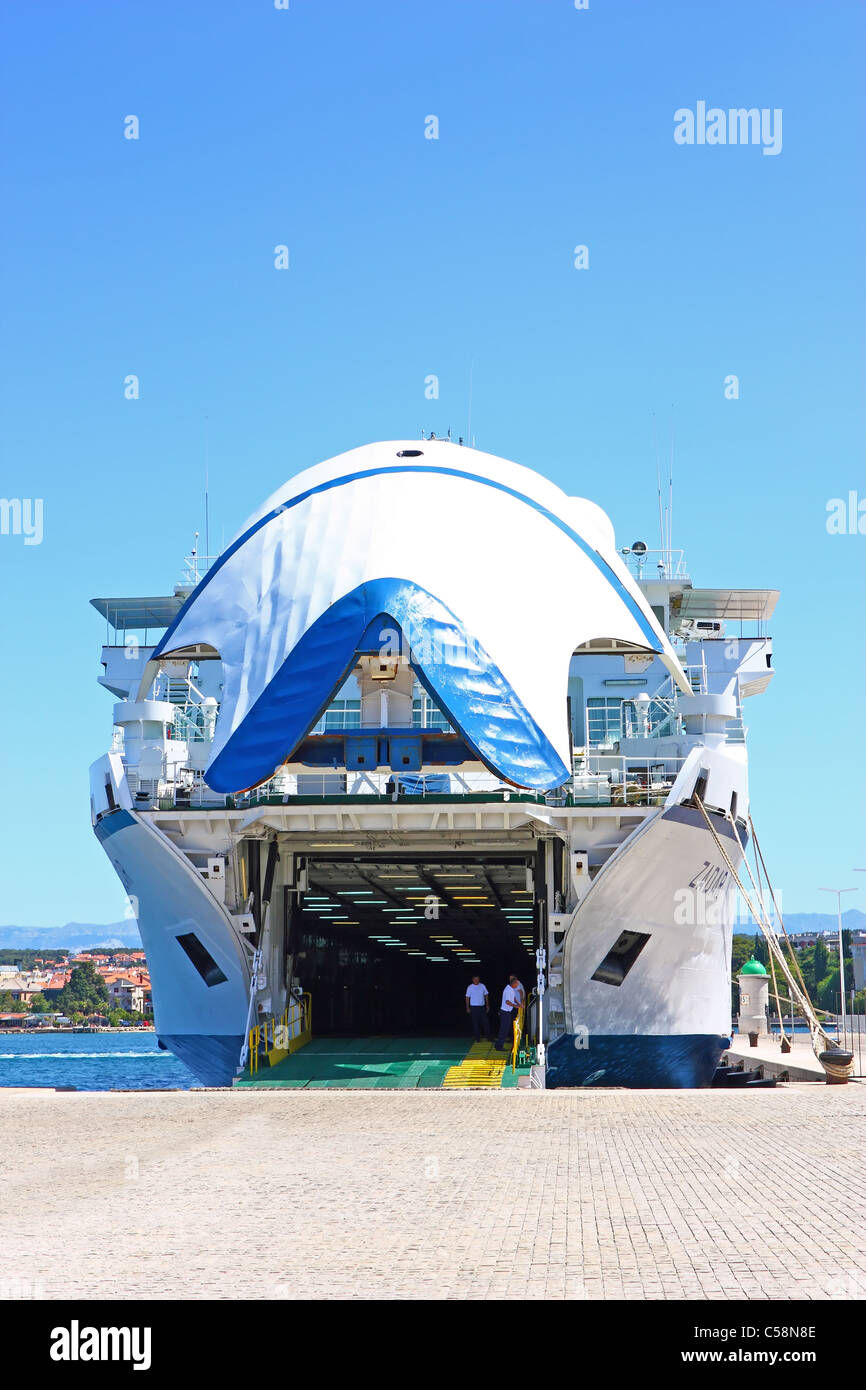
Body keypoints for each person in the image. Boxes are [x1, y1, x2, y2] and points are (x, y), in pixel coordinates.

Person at [495, 974, 525, 1050]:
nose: (518, 985)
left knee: (506, 1028)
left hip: (508, 1012)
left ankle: (499, 1045)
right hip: (505, 1012)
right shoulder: (508, 990)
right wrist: (517, 1006)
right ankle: (499, 1046)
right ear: (514, 984)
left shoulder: (511, 989)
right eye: (517, 984)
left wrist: (518, 1003)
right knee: (503, 1029)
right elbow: (508, 1002)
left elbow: (513, 998)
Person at [465, 975, 490, 1040]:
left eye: (478, 979)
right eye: (475, 979)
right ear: (472, 980)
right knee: (475, 1023)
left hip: (482, 1007)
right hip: (474, 1007)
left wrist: (487, 1005)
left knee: (485, 1022)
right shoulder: (470, 987)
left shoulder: (482, 986)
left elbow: (486, 995)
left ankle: (489, 1037)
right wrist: (467, 1007)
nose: (477, 980)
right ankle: (477, 1038)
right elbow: (467, 997)